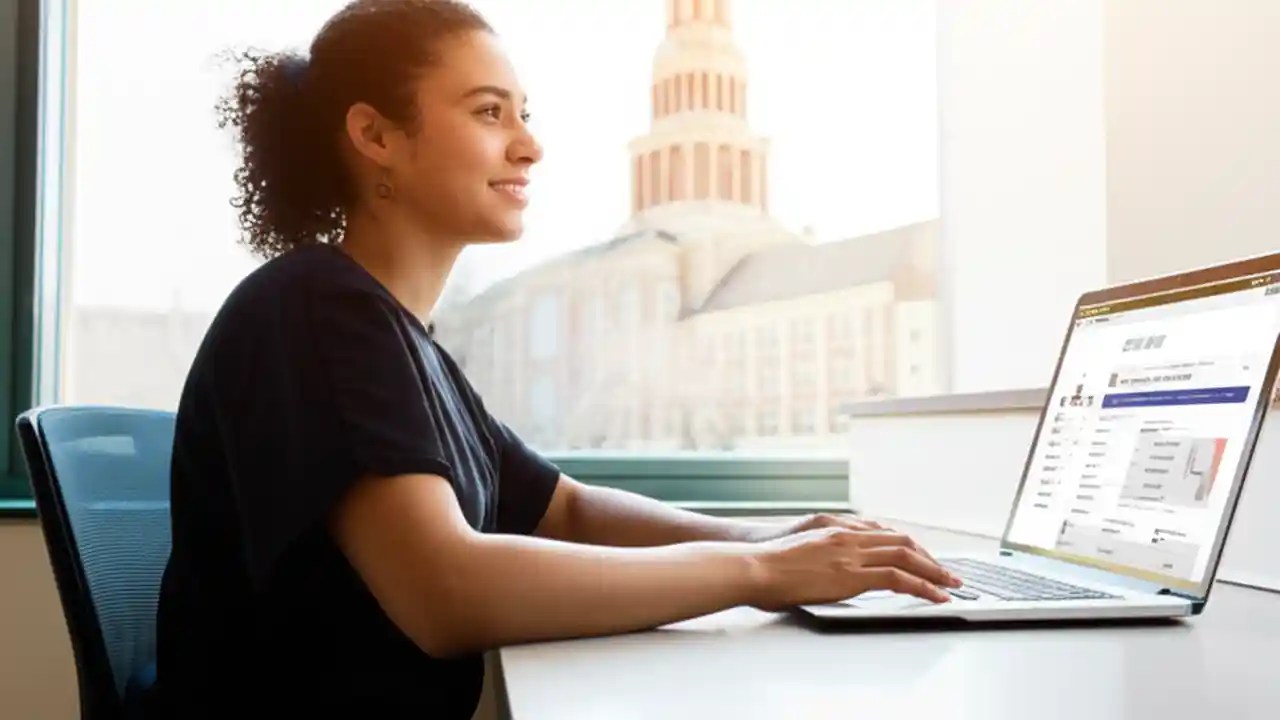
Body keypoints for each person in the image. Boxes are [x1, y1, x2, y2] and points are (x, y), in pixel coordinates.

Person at [152, 1, 962, 717]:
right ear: (376, 136)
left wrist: (776, 534)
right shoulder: (317, 311)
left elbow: (564, 509)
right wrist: (759, 571)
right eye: (489, 112)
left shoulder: (401, 340)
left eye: (524, 114)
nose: (530, 146)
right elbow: (445, 591)